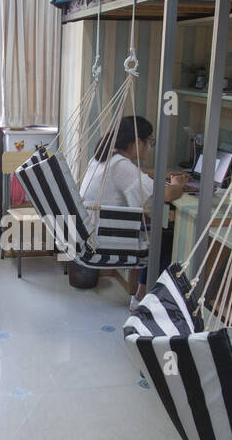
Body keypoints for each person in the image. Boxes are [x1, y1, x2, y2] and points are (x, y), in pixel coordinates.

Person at [79, 115, 189, 303]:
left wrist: (159, 174)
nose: (150, 147)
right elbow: (167, 195)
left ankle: (140, 294)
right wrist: (178, 184)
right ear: (138, 142)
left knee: (157, 227)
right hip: (105, 239)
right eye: (150, 141)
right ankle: (143, 297)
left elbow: (135, 174)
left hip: (91, 230)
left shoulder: (105, 157)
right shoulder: (121, 166)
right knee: (166, 236)